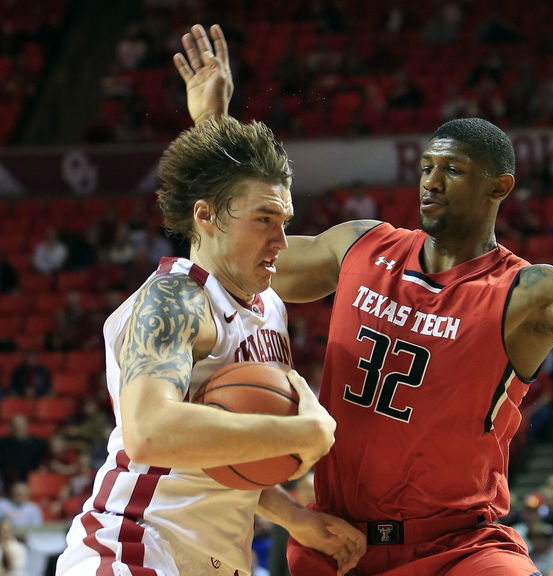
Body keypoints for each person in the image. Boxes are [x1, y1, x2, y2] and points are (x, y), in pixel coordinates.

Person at [177, 24, 553, 575]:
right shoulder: (360, 246)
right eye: (426, 168)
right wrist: (212, 124)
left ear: (498, 187)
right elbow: (238, 255)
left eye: (453, 170)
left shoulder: (529, 294)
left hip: (459, 549)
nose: (431, 182)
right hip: (338, 540)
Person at [55, 42, 365, 576]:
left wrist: (293, 516)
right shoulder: (174, 298)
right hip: (133, 546)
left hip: (215, 558)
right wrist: (303, 434)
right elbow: (152, 432)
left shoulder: (269, 305)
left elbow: (222, 453)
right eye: (265, 220)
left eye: (285, 221)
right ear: (206, 217)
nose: (282, 241)